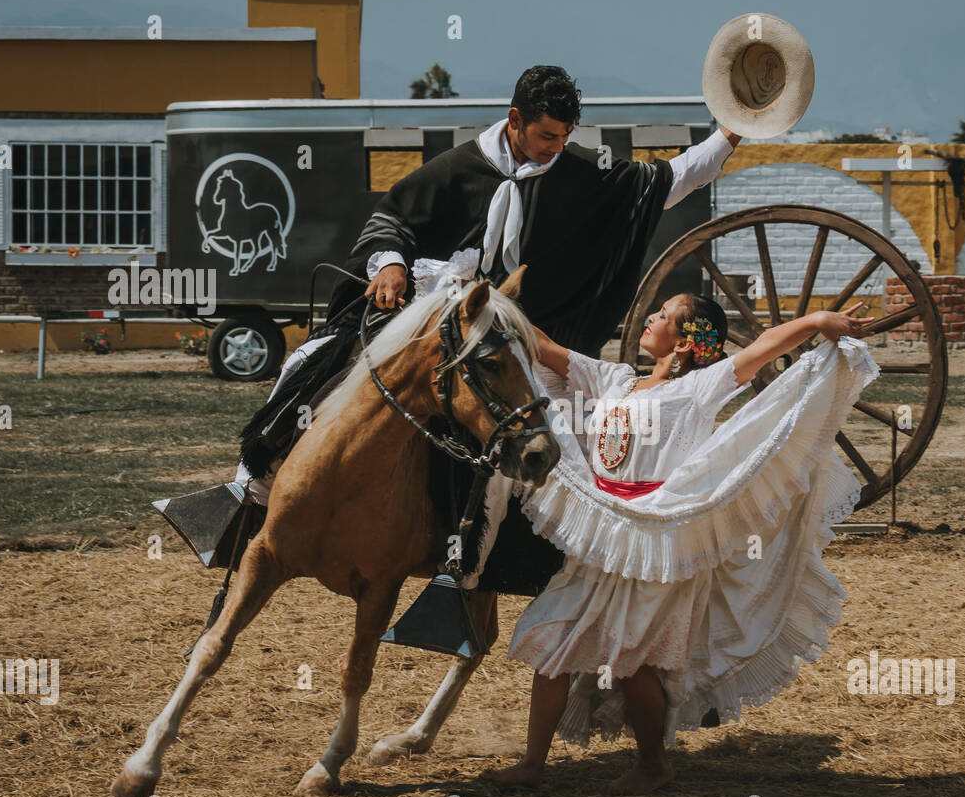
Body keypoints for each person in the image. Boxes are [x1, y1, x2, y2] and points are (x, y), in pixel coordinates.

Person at [235, 66, 740, 516]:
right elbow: (393, 219)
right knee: (309, 359)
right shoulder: (458, 168)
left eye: (564, 136)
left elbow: (668, 179)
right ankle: (249, 486)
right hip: (428, 319)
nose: (555, 147)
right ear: (515, 118)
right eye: (546, 135)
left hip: (511, 337)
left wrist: (734, 129)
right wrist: (389, 264)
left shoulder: (578, 173)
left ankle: (473, 555)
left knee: (520, 430)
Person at [480, 292, 879, 794]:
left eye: (664, 315)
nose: (649, 317)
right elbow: (545, 348)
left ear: (689, 341)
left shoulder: (698, 388)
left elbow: (765, 346)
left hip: (658, 541)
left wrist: (819, 319)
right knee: (548, 634)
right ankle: (535, 764)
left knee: (632, 662)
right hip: (603, 535)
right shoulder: (614, 380)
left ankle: (650, 765)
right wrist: (490, 300)